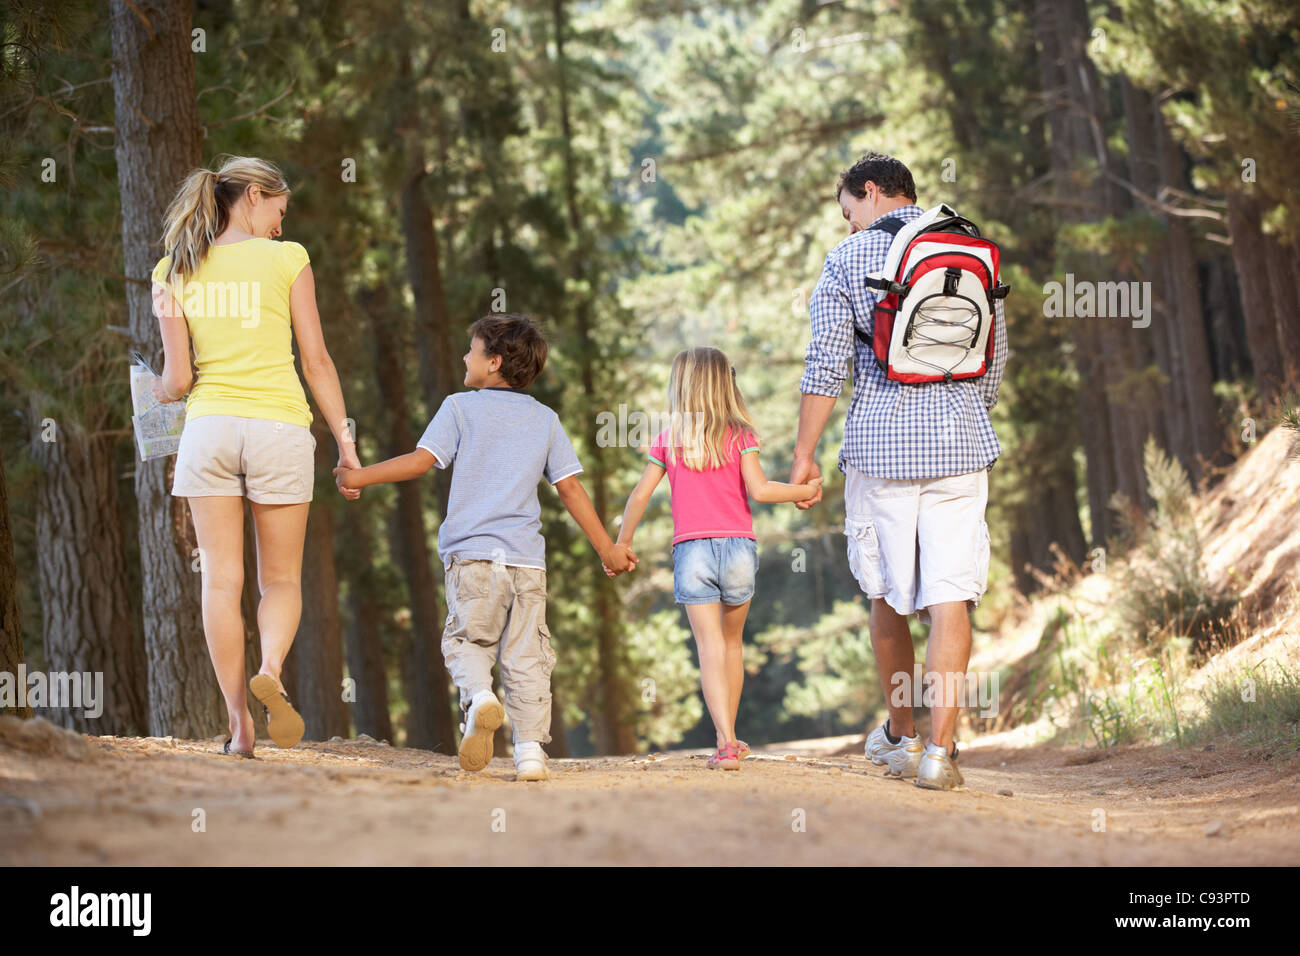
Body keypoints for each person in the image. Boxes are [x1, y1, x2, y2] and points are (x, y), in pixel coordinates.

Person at [334, 313, 636, 781]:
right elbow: (571, 489)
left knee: (466, 640)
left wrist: (357, 476)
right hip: (526, 564)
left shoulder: (459, 407)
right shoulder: (546, 420)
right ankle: (531, 751)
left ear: (493, 362)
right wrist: (607, 550)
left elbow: (419, 463)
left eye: (471, 350)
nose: (464, 356)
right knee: (528, 656)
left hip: (473, 559)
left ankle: (479, 698)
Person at [791, 152, 1008, 791]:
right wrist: (963, 411)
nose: (849, 223)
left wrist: (805, 454)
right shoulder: (970, 246)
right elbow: (991, 360)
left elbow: (827, 366)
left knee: (886, 593)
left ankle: (902, 738)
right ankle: (942, 755)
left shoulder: (848, 259)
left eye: (848, 210)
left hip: (881, 453)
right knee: (950, 596)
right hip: (962, 450)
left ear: (872, 190)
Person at [150, 155, 361, 758]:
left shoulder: (173, 270)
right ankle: (270, 666)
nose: (279, 224)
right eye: (278, 210)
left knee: (221, 580)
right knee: (280, 579)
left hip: (210, 428)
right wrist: (345, 443)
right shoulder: (288, 260)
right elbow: (316, 360)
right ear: (254, 197)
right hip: (278, 427)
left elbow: (178, 379)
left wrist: (157, 392)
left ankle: (240, 724)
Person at [613, 347, 822, 770]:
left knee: (709, 647)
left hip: (691, 551)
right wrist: (806, 491)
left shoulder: (669, 436)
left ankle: (725, 743)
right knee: (731, 645)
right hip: (738, 549)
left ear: (682, 387)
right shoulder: (741, 434)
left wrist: (623, 542)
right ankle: (732, 735)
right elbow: (761, 491)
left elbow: (639, 494)